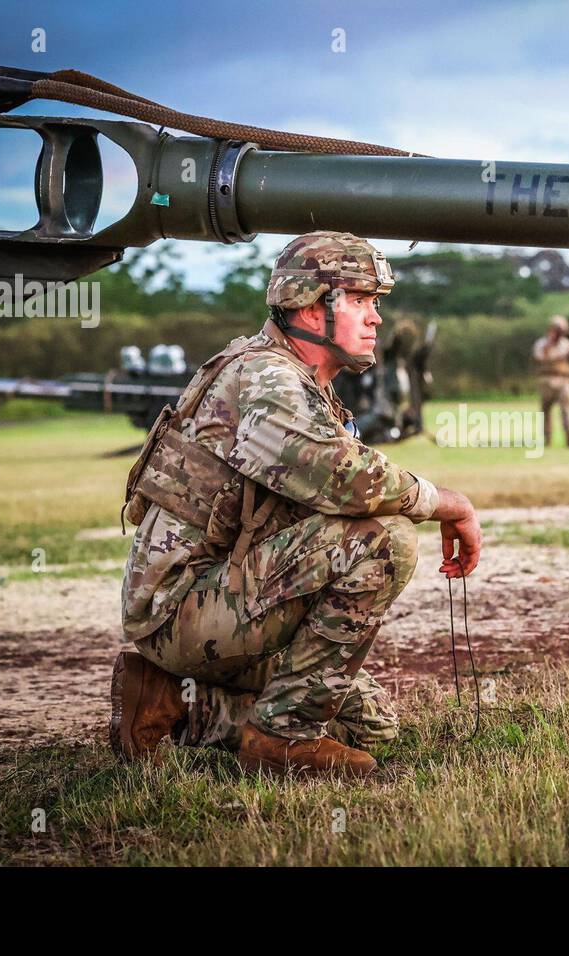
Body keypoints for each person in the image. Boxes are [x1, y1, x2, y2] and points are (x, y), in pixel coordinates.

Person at [111, 231, 481, 777]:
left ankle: (177, 702)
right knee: (386, 540)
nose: (375, 318)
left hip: (223, 594)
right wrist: (448, 504)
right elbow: (344, 478)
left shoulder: (301, 380)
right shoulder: (267, 377)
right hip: (181, 608)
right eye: (360, 300)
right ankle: (281, 741)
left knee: (372, 723)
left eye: (374, 302)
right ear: (311, 309)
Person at [532, 314, 569, 448]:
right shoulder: (541, 343)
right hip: (546, 380)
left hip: (563, 380)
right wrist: (551, 346)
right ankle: (547, 439)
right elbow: (540, 358)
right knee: (545, 412)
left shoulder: (567, 344)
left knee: (566, 410)